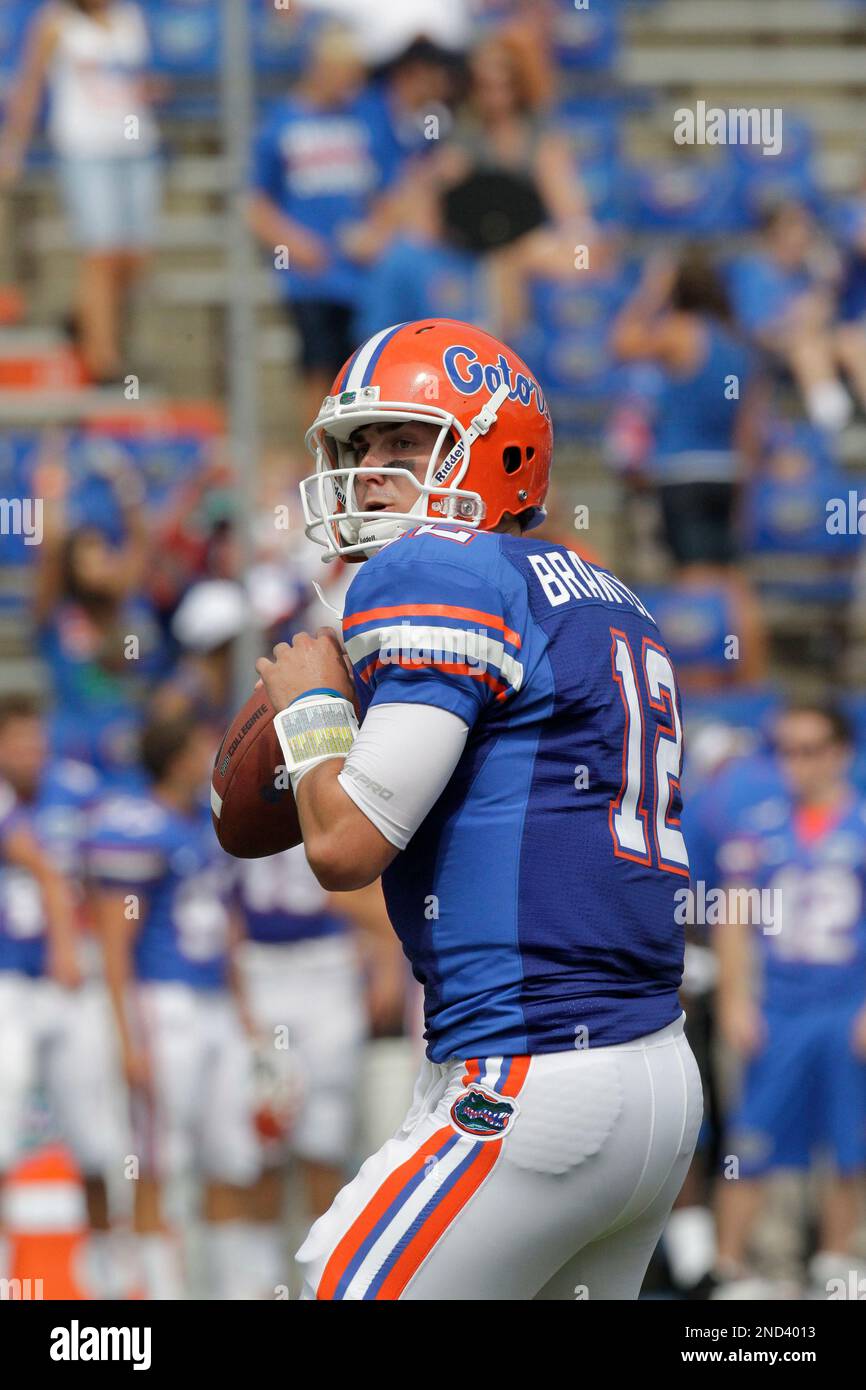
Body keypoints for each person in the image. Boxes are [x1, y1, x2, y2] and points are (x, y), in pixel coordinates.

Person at [253, 317, 702, 1300]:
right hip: (654, 1075)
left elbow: (342, 845)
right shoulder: (609, 596)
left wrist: (314, 712)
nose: (369, 471)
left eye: (403, 445)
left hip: (531, 1075)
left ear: (495, 450)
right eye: (359, 447)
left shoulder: (436, 570)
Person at [86, 713, 260, 1300]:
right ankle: (156, 1292)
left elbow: (227, 931)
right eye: (198, 747)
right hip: (164, 1004)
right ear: (175, 757)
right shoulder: (138, 825)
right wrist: (127, 1037)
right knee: (157, 1156)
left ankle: (230, 1288)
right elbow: (115, 943)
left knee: (230, 1153)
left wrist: (246, 1013)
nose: (211, 755)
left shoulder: (203, 825)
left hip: (212, 1003)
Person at [714, 702, 866, 1298]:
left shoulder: (859, 826)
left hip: (844, 1002)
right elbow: (731, 919)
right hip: (778, 1005)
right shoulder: (758, 827)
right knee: (753, 1141)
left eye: (809, 750)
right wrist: (734, 1000)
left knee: (849, 1141)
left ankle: (835, 1260)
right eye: (786, 751)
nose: (796, 765)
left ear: (840, 754)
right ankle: (730, 1267)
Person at [234, 847, 403, 1298]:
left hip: (327, 968)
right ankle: (259, 1285)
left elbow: (363, 877)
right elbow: (223, 904)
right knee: (258, 1142)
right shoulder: (234, 799)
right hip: (259, 967)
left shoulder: (324, 786)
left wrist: (385, 961)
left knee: (323, 1141)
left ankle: (321, 1279)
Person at [0, 695, 125, 1296]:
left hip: (73, 986)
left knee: (95, 1135)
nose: (30, 754)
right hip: (9, 982)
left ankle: (102, 1273)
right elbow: (42, 871)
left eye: (35, 741)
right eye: (17, 743)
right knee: (1, 1131)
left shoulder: (76, 790)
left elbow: (105, 874)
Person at [246, 23, 405, 428]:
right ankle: (319, 453)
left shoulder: (368, 116)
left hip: (361, 274)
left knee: (363, 369)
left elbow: (394, 188)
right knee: (317, 364)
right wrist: (293, 243)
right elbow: (256, 203)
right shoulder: (282, 122)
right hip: (311, 277)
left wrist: (377, 233)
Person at [0, 0, 161, 382]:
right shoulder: (55, 22)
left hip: (135, 145)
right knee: (101, 254)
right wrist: (13, 147)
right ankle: (103, 359)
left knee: (135, 258)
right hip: (85, 148)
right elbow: (30, 84)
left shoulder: (130, 17)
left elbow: (140, 76)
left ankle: (81, 319)